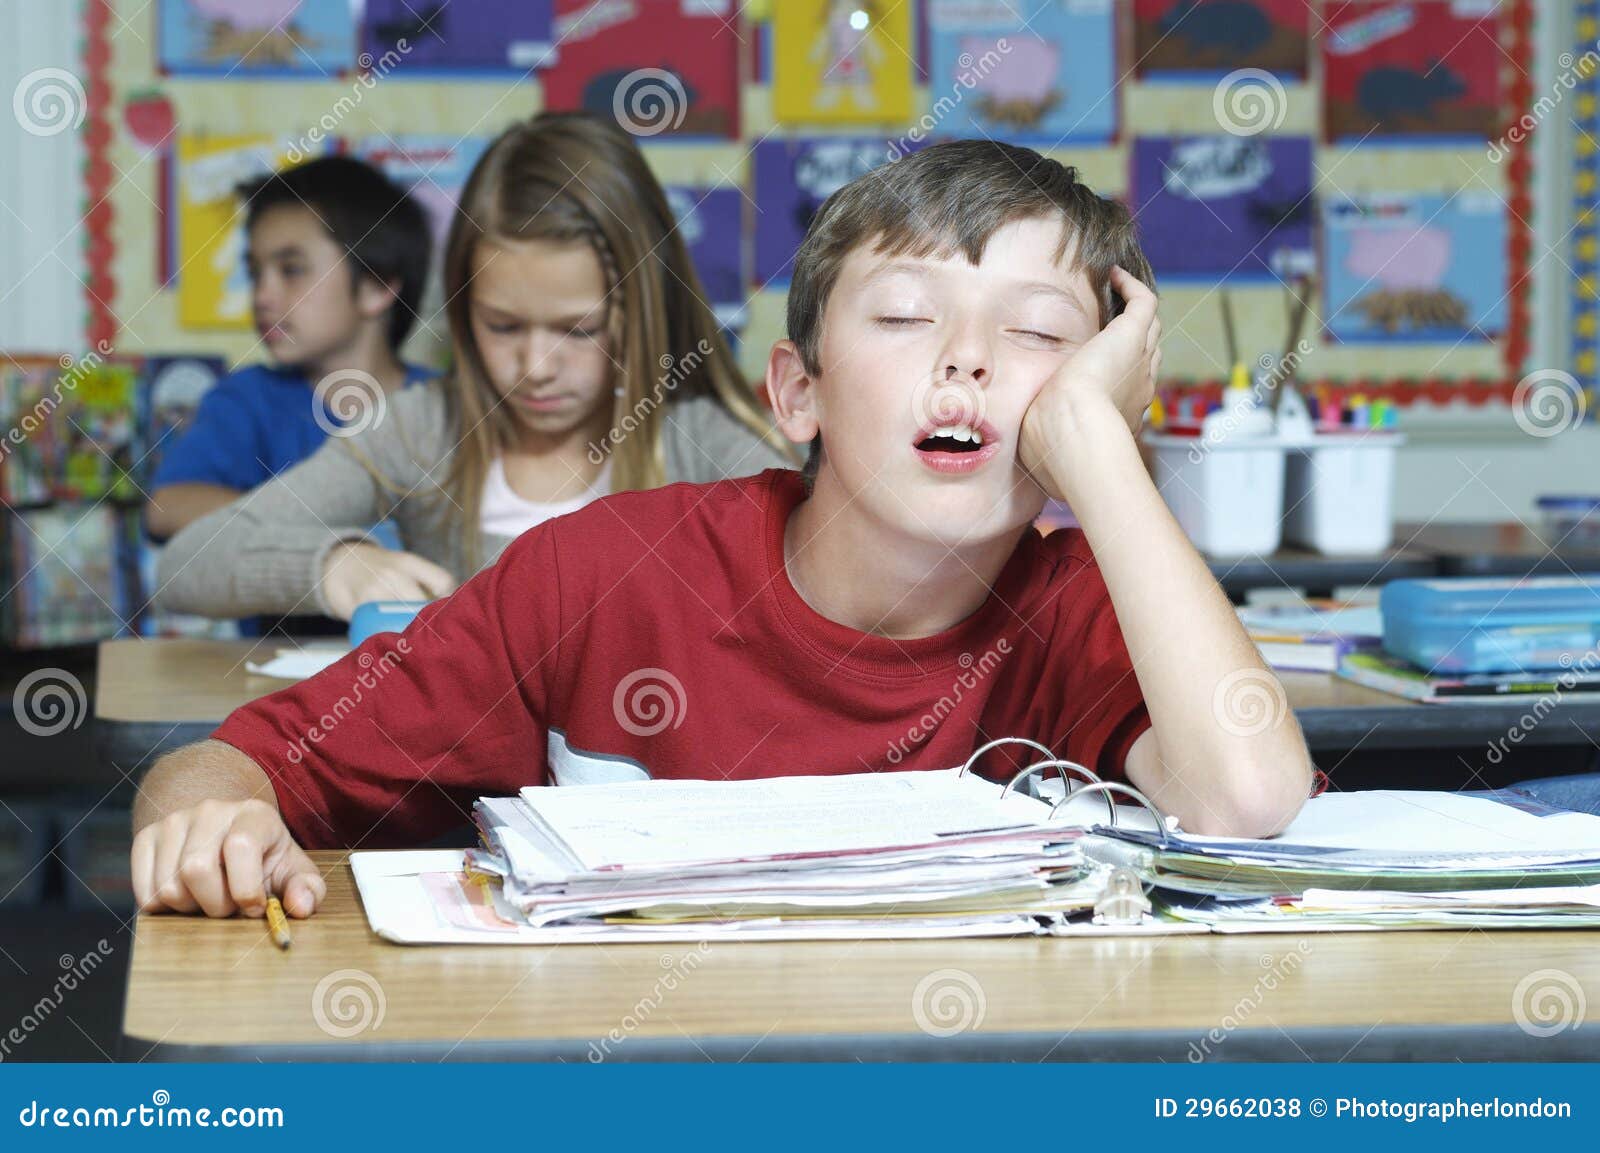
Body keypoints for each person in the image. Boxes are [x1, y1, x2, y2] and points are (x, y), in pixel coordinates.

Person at [131, 138, 1313, 920]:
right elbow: (230, 762)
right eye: (904, 314)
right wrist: (205, 820)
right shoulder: (591, 572)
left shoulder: (1072, 606)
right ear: (793, 393)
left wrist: (1099, 460)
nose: (968, 357)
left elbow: (1249, 802)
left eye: (1040, 338)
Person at [153, 112, 795, 621]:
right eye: (504, 326)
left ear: (643, 306)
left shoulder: (702, 445)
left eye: (578, 329)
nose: (536, 367)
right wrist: (333, 565)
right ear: (462, 311)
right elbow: (184, 567)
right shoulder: (421, 430)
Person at [144, 156, 436, 542]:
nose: (262, 296)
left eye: (291, 270)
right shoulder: (247, 401)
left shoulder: (449, 406)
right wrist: (323, 528)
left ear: (375, 287)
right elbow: (167, 507)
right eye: (254, 273)